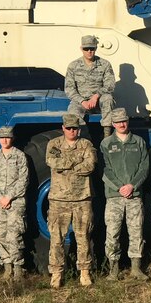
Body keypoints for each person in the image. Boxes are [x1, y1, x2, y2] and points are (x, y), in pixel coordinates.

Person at [46, 113, 98, 288]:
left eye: (74, 128)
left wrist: (67, 162)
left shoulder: (86, 144)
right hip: (58, 200)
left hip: (82, 199)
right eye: (68, 128)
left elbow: (90, 166)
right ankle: (56, 273)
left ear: (79, 129)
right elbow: (54, 162)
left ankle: (84, 272)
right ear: (63, 128)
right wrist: (77, 160)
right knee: (57, 238)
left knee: (83, 237)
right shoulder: (54, 144)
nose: (71, 131)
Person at [101, 108, 150, 281]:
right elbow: (105, 169)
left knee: (136, 231)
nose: (122, 124)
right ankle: (113, 270)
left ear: (128, 121)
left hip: (134, 195)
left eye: (124, 121)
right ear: (113, 124)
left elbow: (144, 167)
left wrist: (132, 185)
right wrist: (119, 187)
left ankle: (136, 269)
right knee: (112, 232)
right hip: (114, 196)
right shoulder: (106, 144)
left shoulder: (138, 142)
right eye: (118, 122)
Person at [0, 126, 29, 280]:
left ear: (12, 138)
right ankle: (7, 266)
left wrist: (9, 197)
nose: (5, 140)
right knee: (0, 235)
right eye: (2, 138)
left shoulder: (20, 156)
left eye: (8, 137)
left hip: (15, 202)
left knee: (14, 235)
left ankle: (18, 267)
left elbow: (23, 180)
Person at [65, 34, 116, 139]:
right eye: (86, 48)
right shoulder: (73, 66)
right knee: (73, 113)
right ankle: (85, 140)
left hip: (98, 100)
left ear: (96, 48)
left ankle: (107, 136)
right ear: (81, 49)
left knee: (108, 99)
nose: (89, 51)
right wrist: (82, 101)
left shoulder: (105, 64)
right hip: (81, 101)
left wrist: (96, 96)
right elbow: (69, 89)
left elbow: (110, 85)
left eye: (91, 48)